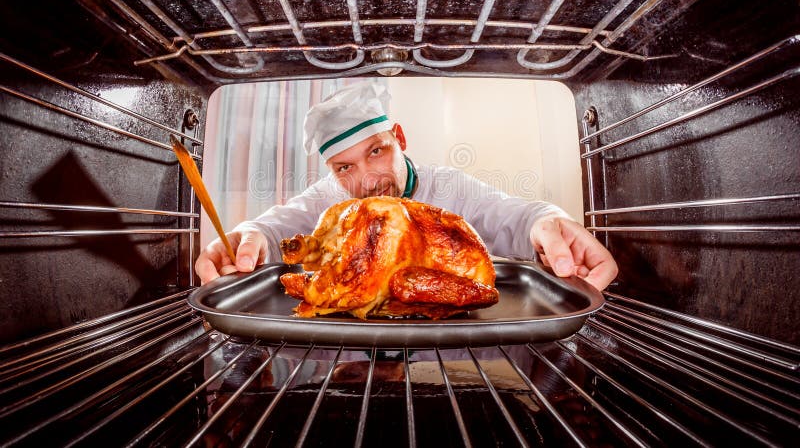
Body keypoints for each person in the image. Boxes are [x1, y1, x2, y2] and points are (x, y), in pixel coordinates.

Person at [195, 82, 618, 291]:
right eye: (344, 167)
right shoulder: (330, 199)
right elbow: (274, 227)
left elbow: (518, 215)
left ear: (399, 137)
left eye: (376, 151)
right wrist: (250, 238)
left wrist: (551, 222)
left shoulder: (449, 187)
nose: (366, 181)